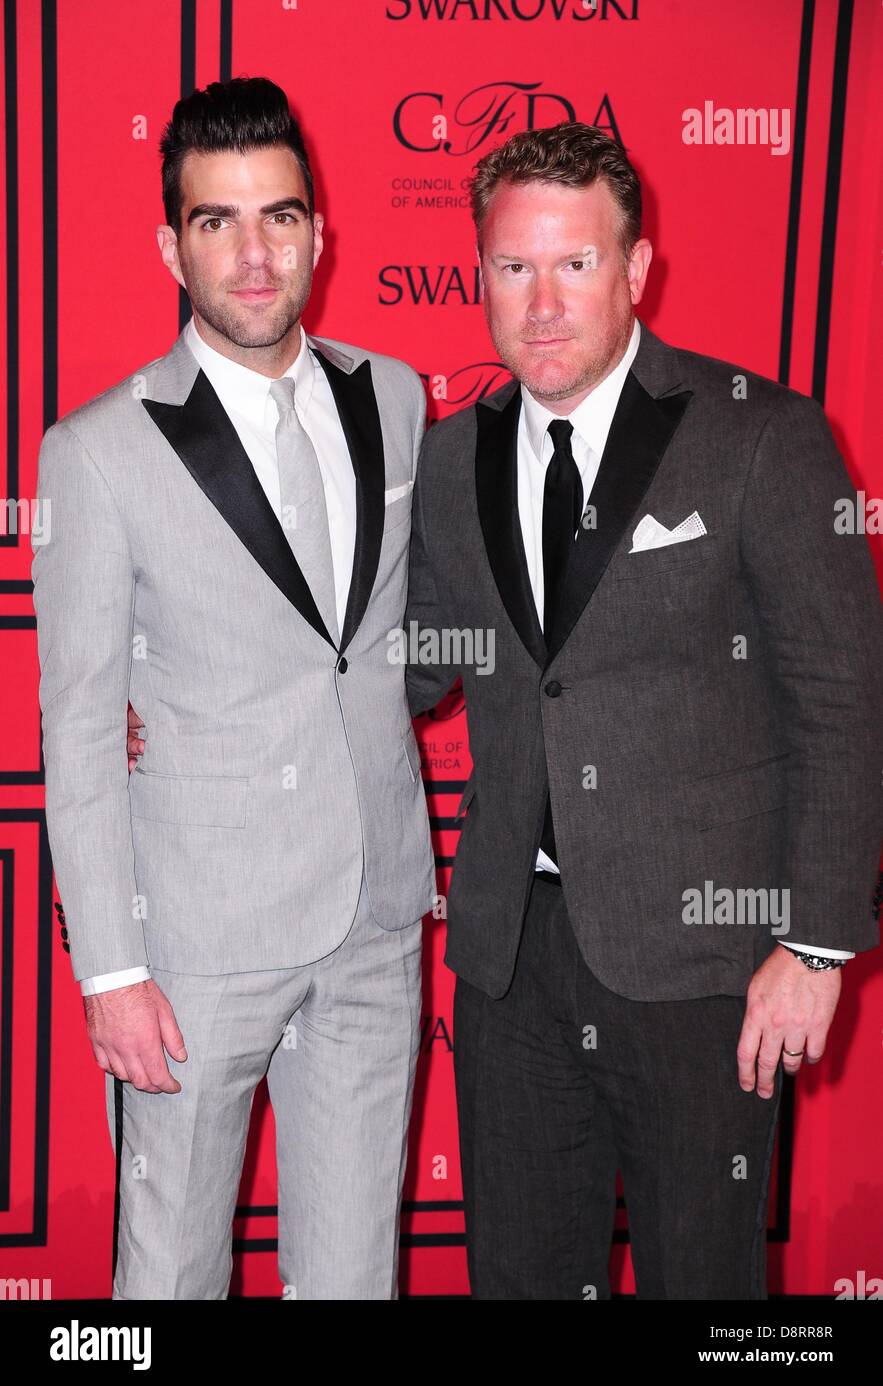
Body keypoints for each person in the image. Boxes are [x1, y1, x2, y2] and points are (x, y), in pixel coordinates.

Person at [403, 122, 883, 1299]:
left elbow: (842, 698)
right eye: (514, 267)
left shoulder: (757, 435)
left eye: (575, 264)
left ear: (636, 268)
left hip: (705, 967)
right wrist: (176, 710)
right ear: (480, 278)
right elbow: (402, 667)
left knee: (703, 1290)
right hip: (511, 964)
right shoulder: (451, 459)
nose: (544, 301)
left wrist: (814, 942)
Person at [32, 76, 434, 1300]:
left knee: (353, 1271)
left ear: (320, 230)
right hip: (194, 943)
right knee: (169, 1277)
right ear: (172, 243)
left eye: (280, 217)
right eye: (218, 221)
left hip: (374, 917)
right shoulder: (94, 452)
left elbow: (384, 642)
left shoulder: (399, 397)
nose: (254, 256)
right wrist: (111, 972)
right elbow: (82, 725)